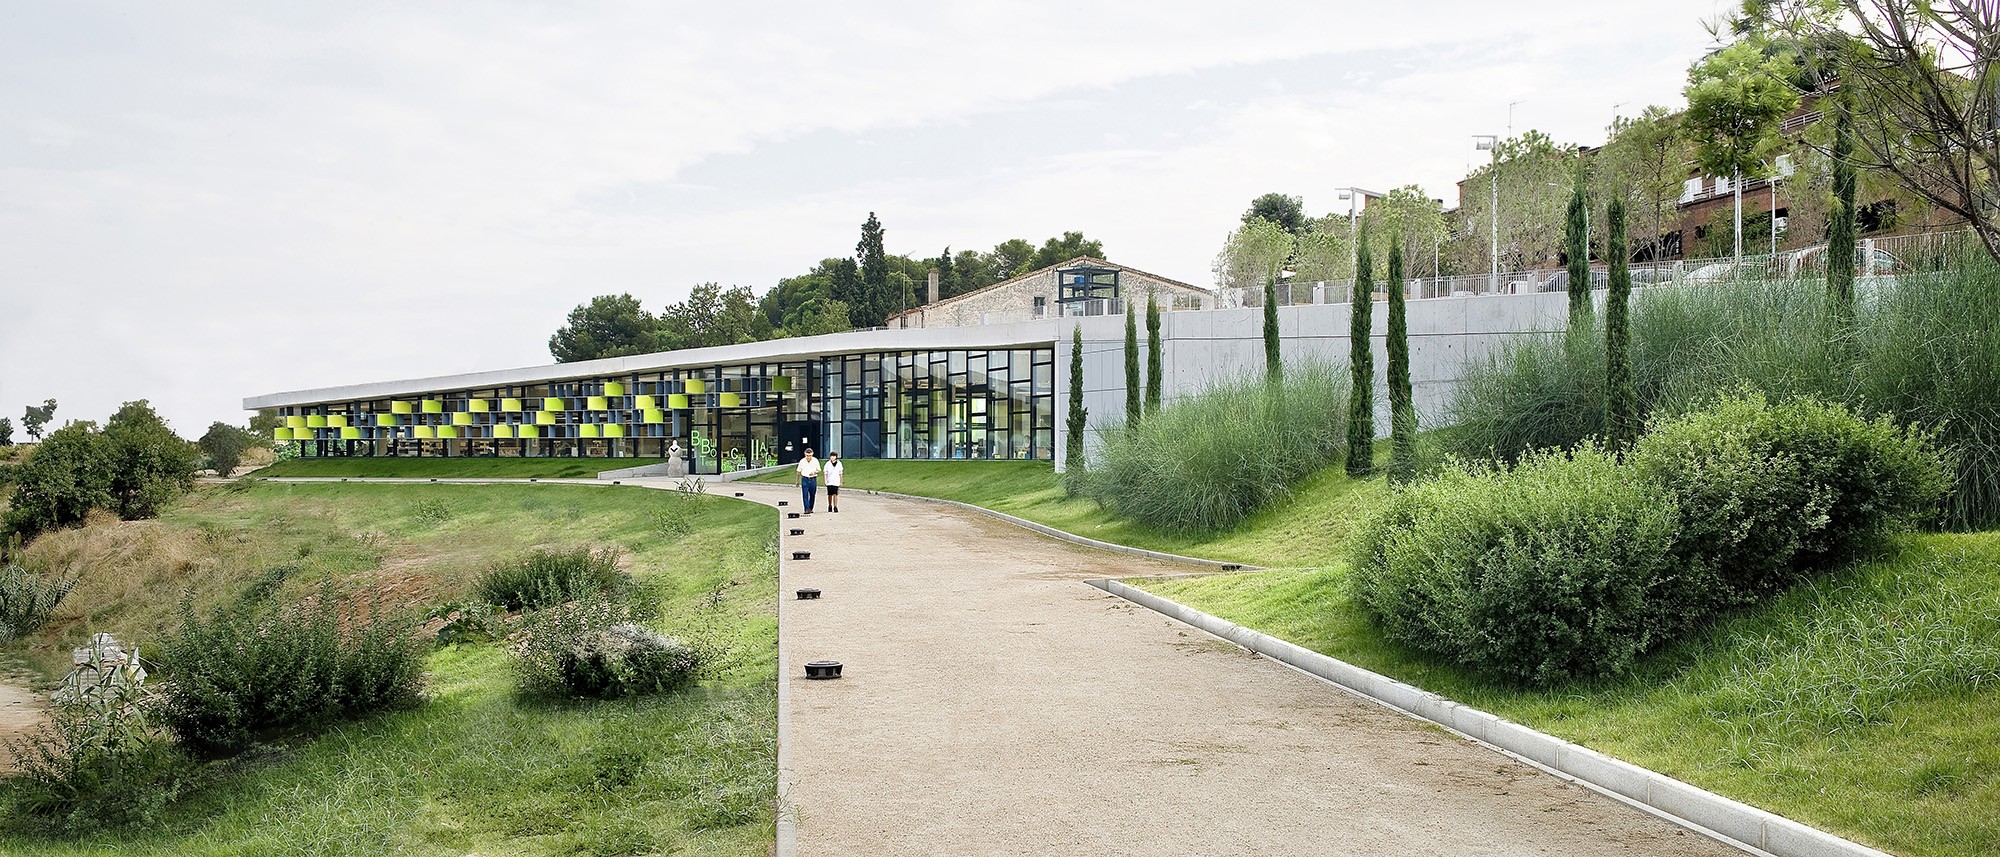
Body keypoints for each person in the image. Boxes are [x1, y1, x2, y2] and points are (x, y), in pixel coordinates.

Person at [796, 448, 821, 514]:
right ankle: (806, 508)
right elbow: (798, 471)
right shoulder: (802, 461)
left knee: (812, 494)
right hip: (805, 479)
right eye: (807, 455)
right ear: (805, 454)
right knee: (805, 494)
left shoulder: (815, 460)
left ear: (812, 454)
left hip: (813, 479)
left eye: (810, 455)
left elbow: (819, 470)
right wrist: (797, 481)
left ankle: (810, 508)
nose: (808, 457)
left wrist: (814, 472)